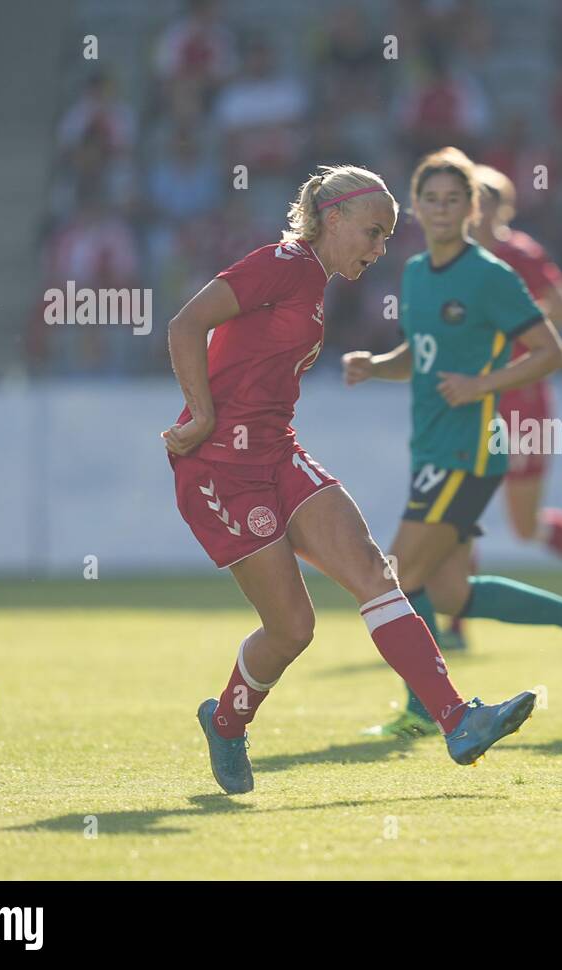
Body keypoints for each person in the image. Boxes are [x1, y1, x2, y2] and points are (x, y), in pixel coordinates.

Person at [163, 164, 537, 794]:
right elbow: (185, 325)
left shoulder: (313, 277)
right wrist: (200, 414)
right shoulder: (281, 263)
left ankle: (457, 719)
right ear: (332, 219)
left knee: (374, 572)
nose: (380, 248)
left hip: (278, 455)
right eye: (373, 232)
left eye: (387, 236)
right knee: (293, 629)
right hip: (220, 470)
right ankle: (226, 721)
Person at [342, 148, 562, 738]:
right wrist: (376, 364)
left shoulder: (491, 275)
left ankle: (426, 710)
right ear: (414, 207)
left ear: (472, 207)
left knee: (394, 575)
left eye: (453, 199)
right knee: (451, 593)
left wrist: (481, 385)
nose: (441, 210)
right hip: (432, 448)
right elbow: (419, 356)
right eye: (430, 199)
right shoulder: (415, 274)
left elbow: (551, 351)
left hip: (467, 453)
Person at [432, 164, 562, 654]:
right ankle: (456, 623)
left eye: (485, 199)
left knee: (525, 526)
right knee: (457, 507)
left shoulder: (519, 254)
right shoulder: (453, 259)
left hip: (522, 400)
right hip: (470, 400)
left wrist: (517, 318)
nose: (475, 208)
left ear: (500, 206)